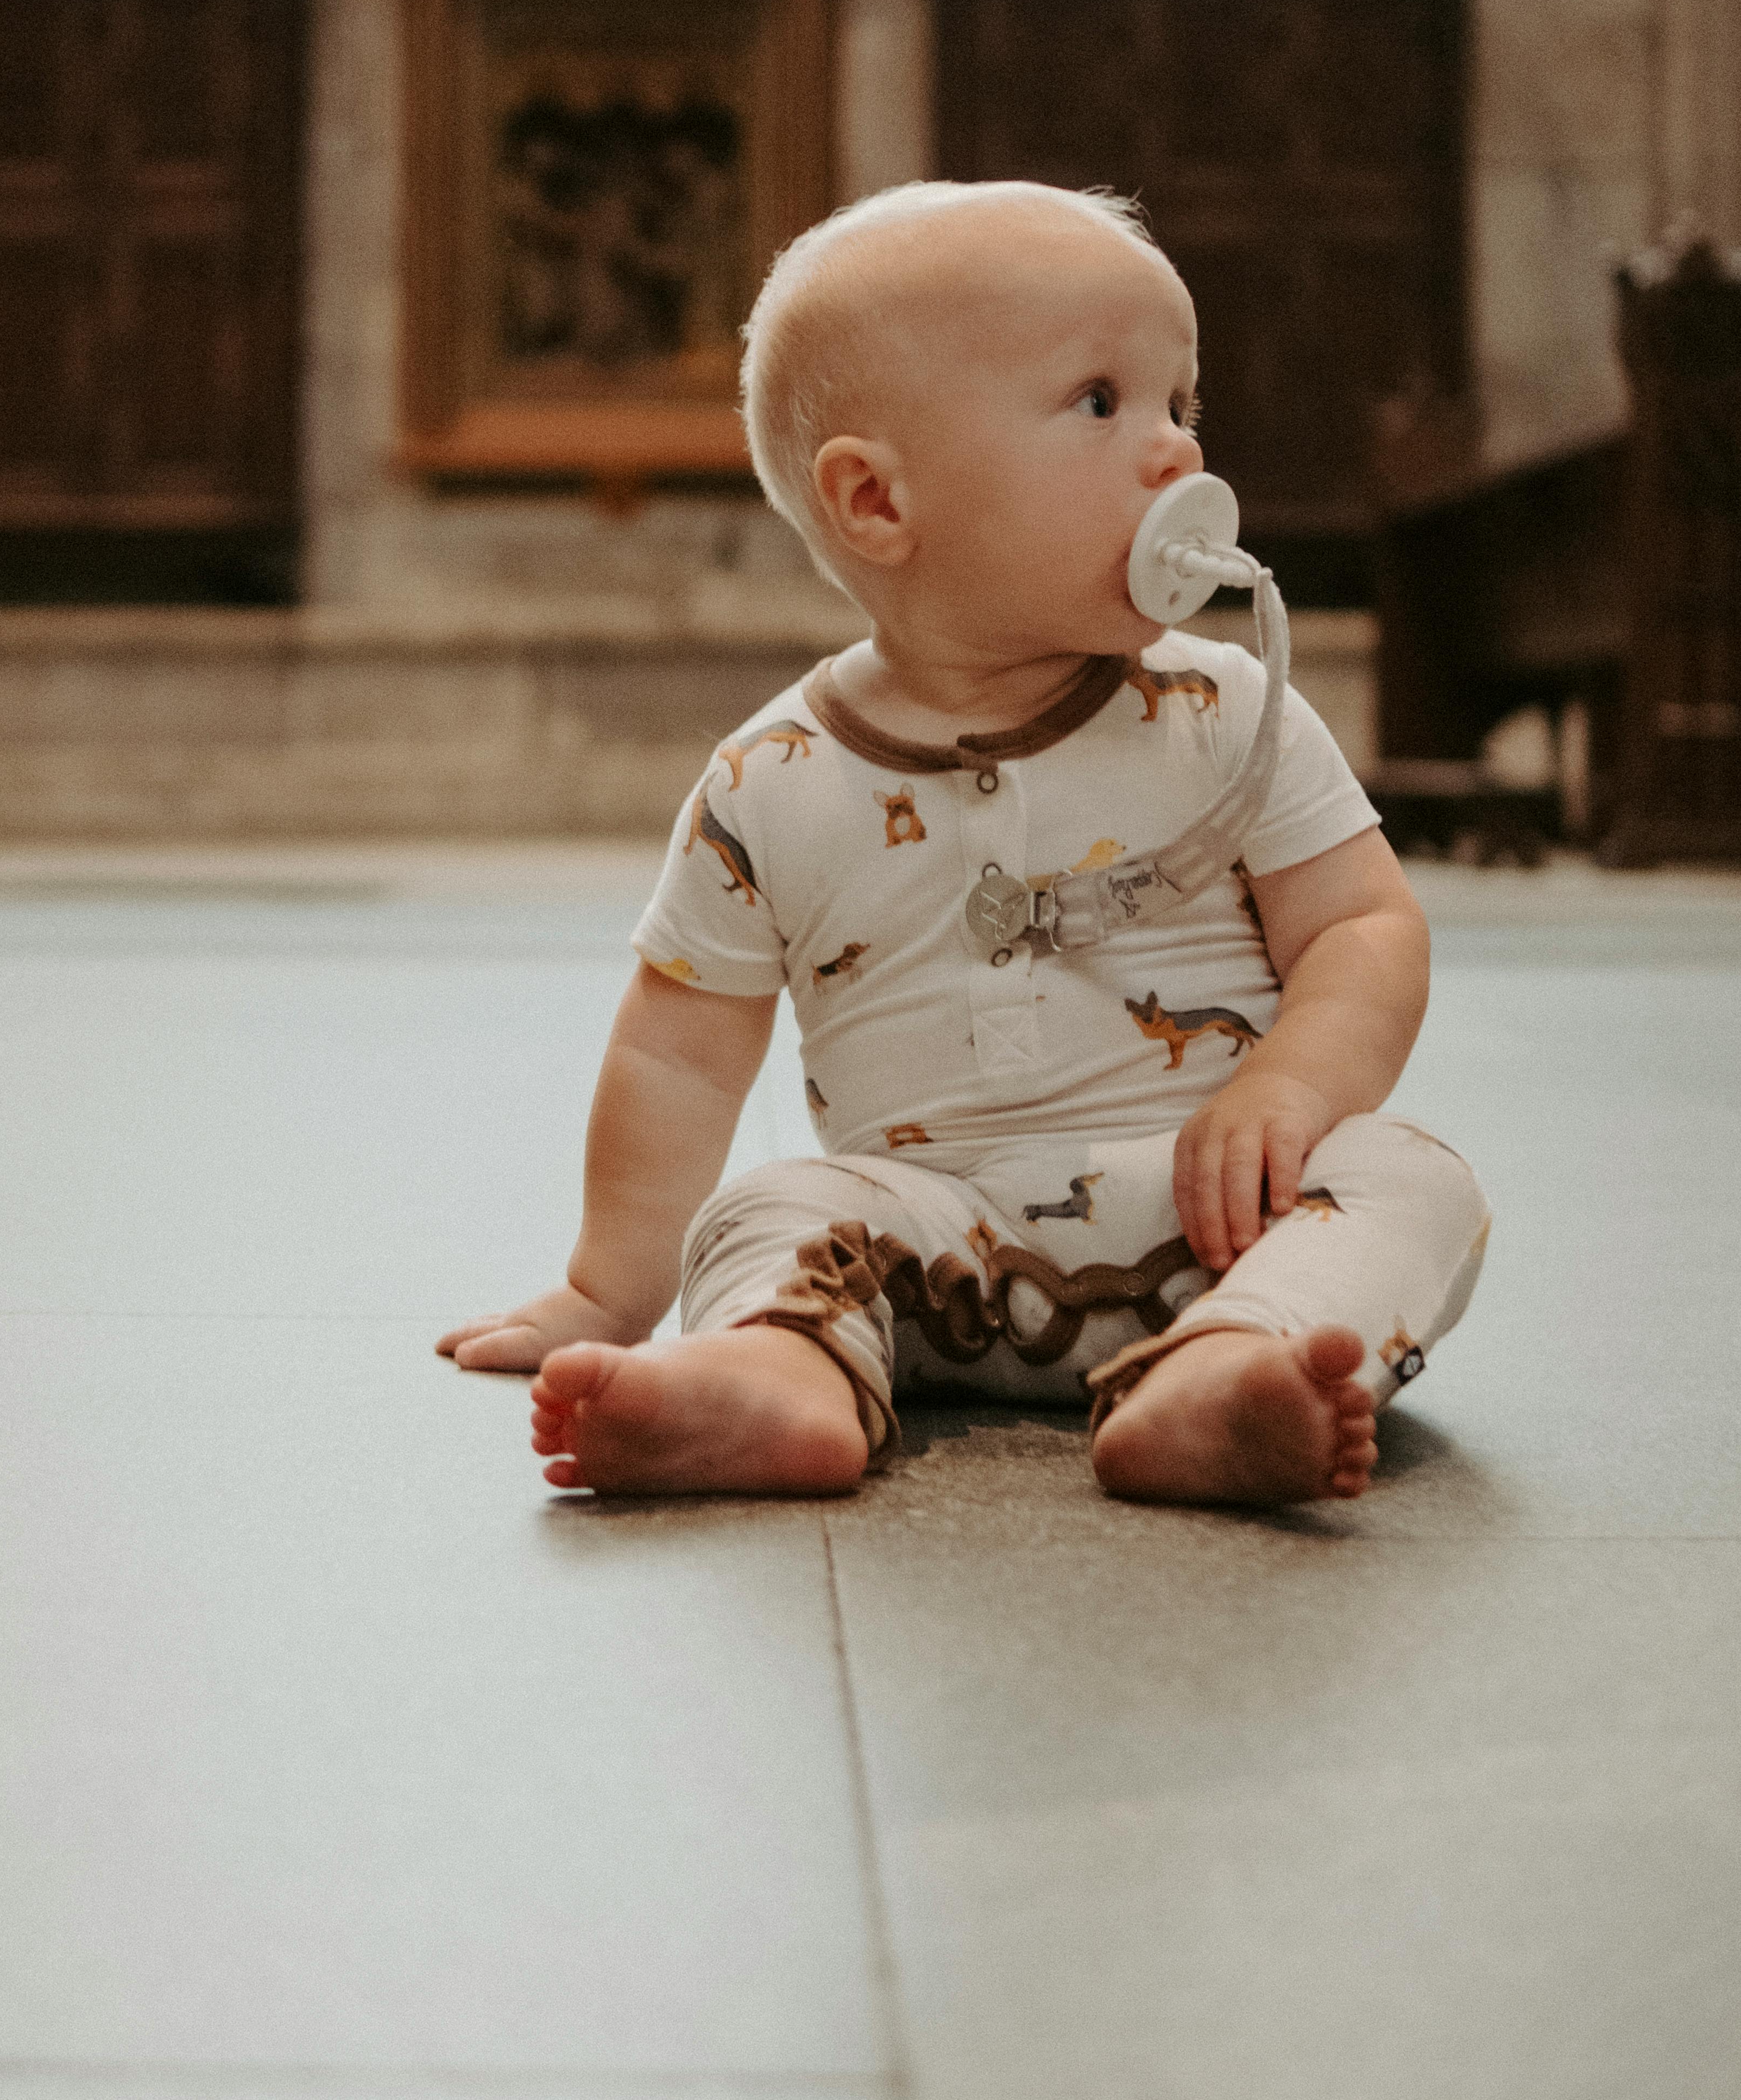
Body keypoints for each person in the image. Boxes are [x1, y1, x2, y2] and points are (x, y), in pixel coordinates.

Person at [437, 180, 1489, 1508]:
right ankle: (781, 1375)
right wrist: (604, 1287)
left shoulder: (1225, 706)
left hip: (1215, 1221)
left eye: (1181, 403)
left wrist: (1289, 1085)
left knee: (1407, 1175)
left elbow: (1359, 924)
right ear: (876, 500)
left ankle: (1223, 1374)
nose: (1171, 452)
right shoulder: (773, 779)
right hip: (924, 1248)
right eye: (1101, 402)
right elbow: (675, 1053)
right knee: (769, 1207)